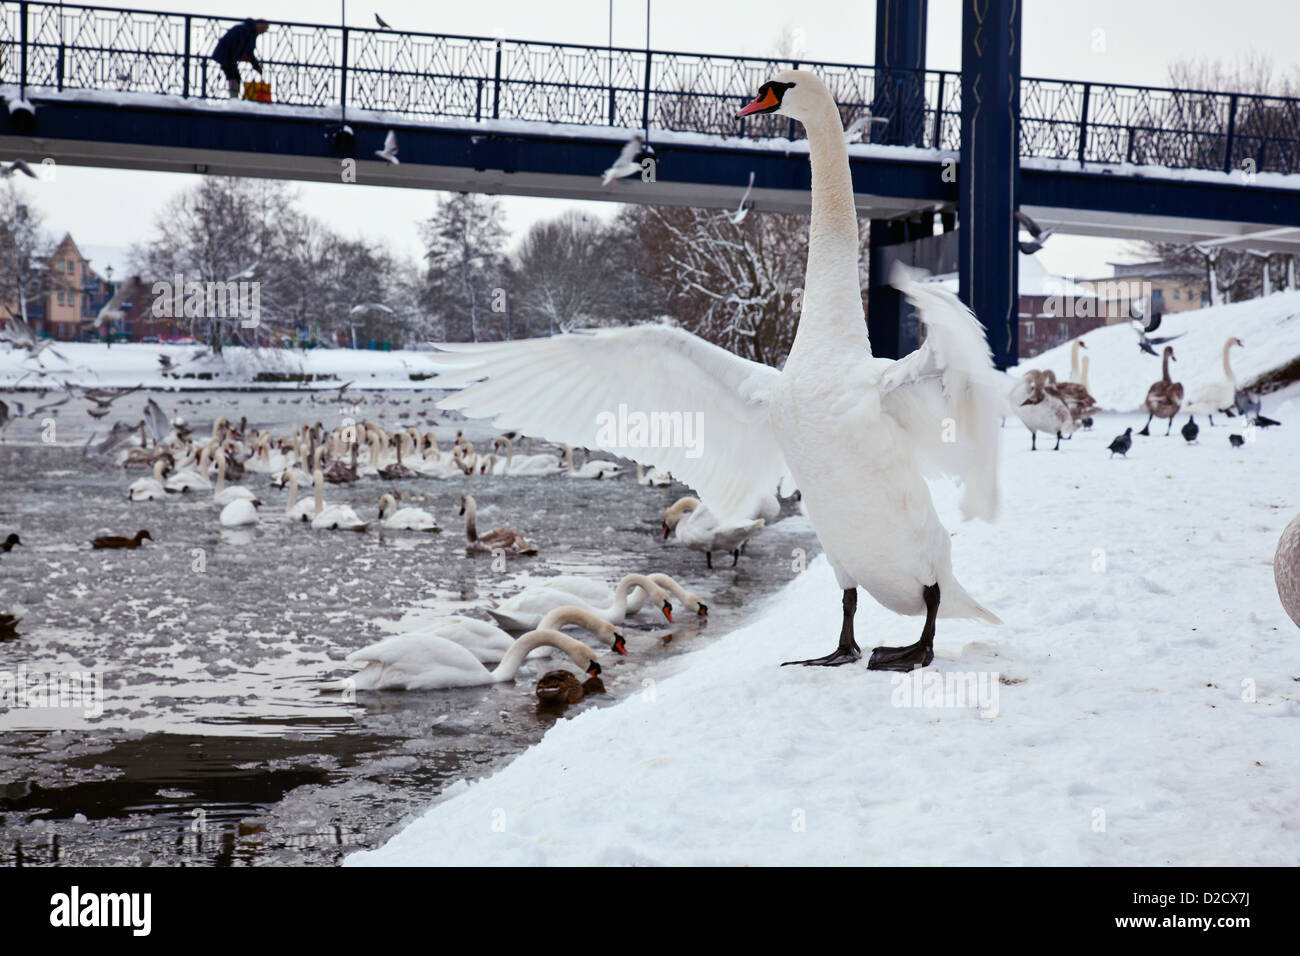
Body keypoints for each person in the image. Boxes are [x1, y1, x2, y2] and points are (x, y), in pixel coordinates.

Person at [211, 18, 269, 98]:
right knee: (234, 76)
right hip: (227, 56)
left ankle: (234, 97)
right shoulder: (247, 31)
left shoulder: (249, 31)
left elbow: (248, 53)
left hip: (228, 56)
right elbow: (246, 50)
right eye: (264, 28)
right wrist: (255, 65)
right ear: (258, 25)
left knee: (234, 76)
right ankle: (233, 98)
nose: (264, 32)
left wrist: (256, 66)